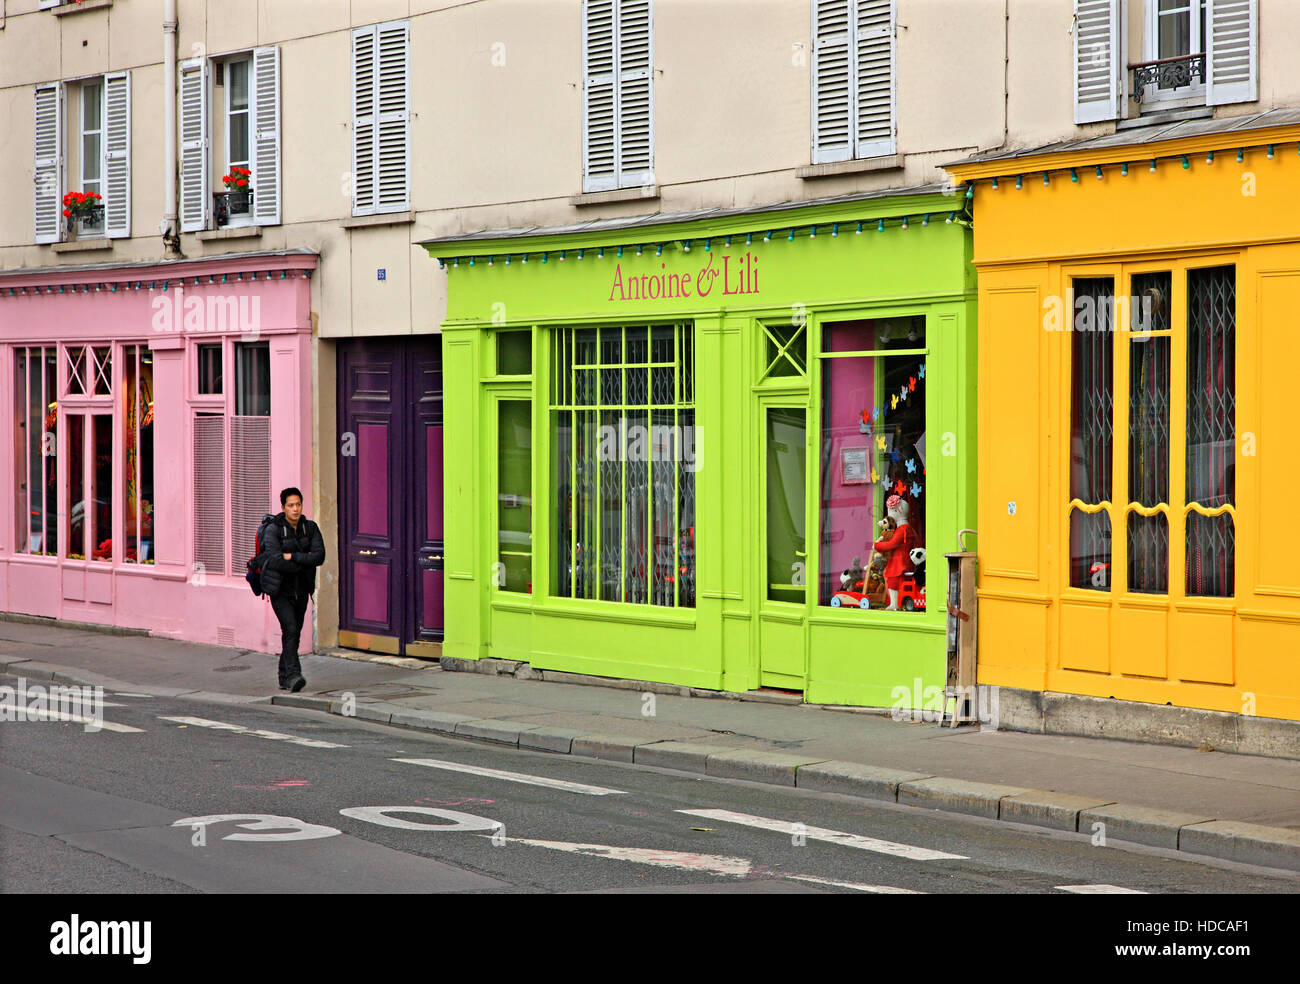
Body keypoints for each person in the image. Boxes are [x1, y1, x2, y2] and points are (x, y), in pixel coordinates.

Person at [260, 487, 325, 692]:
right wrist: (303, 559)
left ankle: (282, 676)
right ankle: (294, 675)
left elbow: (319, 556)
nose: (295, 509)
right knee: (290, 629)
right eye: (291, 505)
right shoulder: (274, 530)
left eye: (298, 504)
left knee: (293, 633)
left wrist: (294, 556)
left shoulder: (310, 528)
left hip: (302, 589)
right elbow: (276, 559)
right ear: (283, 507)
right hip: (280, 590)